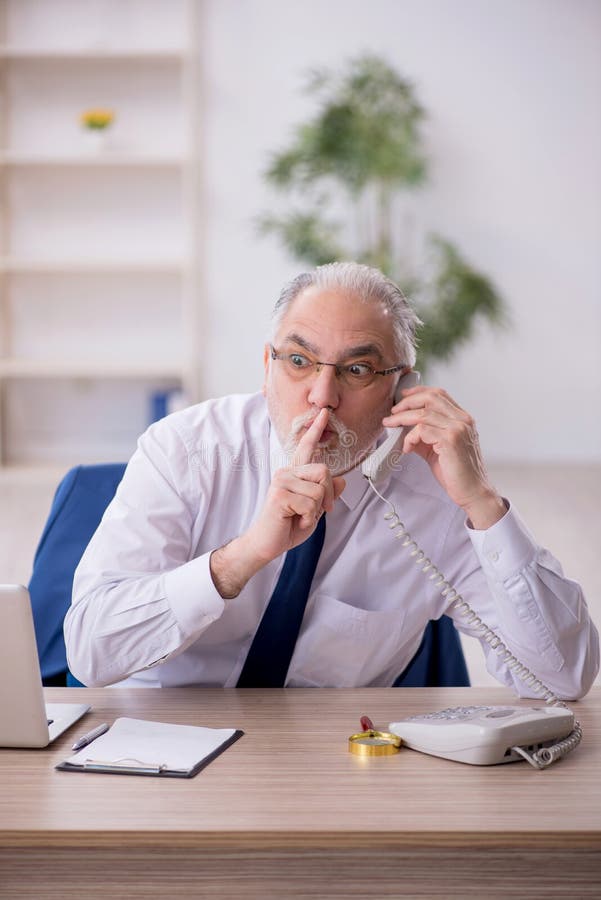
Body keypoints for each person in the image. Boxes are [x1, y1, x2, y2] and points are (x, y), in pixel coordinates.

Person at [65, 262, 598, 696]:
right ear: (267, 367)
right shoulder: (184, 449)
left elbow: (564, 677)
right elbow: (90, 653)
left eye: (357, 370)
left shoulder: (432, 495)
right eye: (299, 361)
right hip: (161, 743)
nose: (322, 395)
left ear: (403, 387)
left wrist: (482, 503)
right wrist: (244, 556)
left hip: (333, 763)